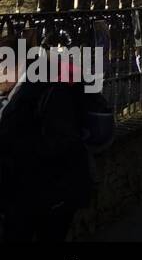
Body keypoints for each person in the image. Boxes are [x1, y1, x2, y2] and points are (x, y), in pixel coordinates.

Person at [0, 42, 114, 242]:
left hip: (51, 196)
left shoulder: (49, 91)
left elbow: (62, 142)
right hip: (34, 193)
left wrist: (16, 151)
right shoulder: (24, 90)